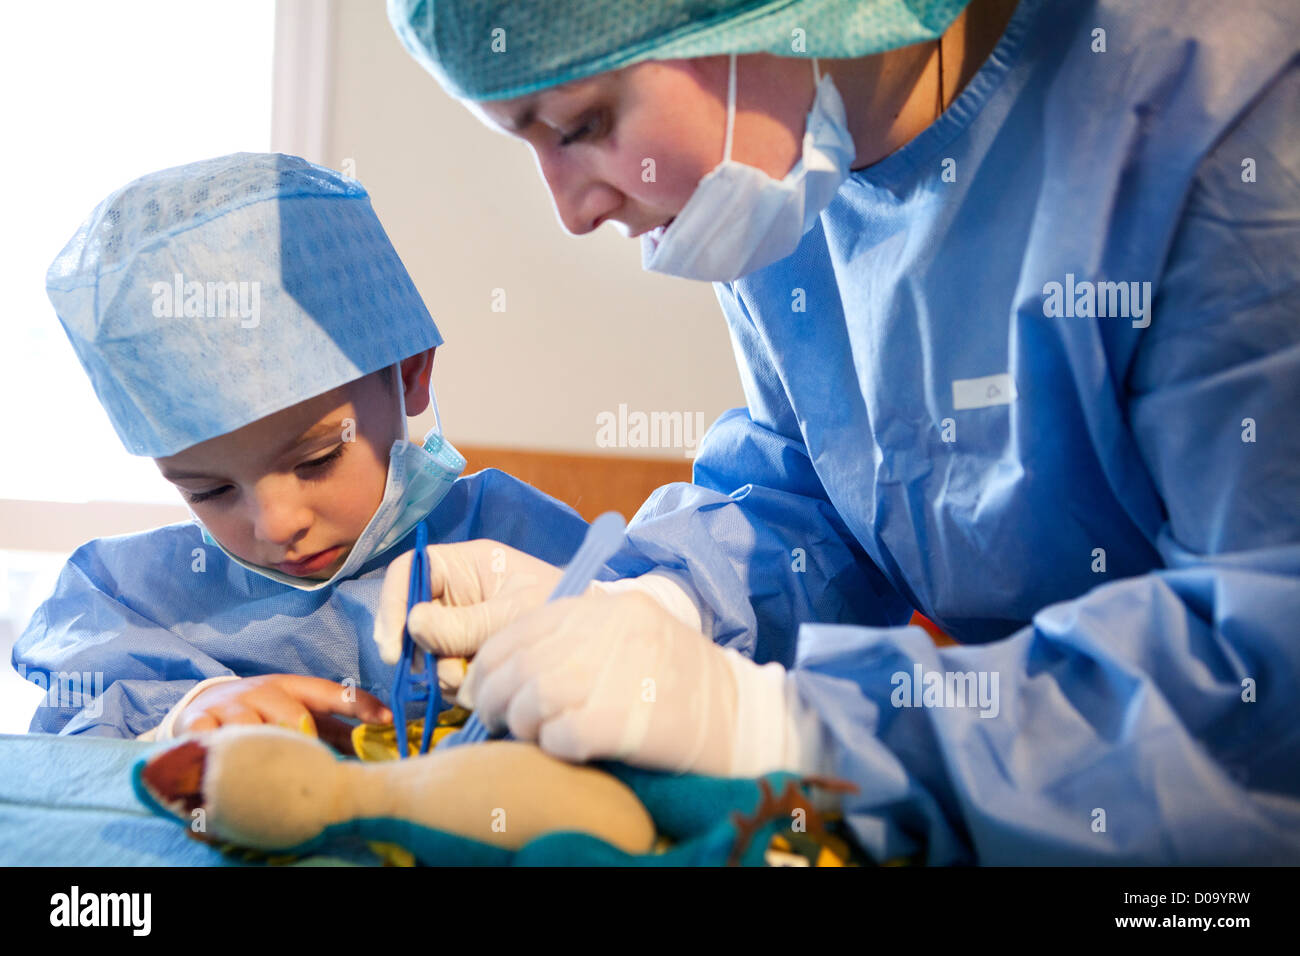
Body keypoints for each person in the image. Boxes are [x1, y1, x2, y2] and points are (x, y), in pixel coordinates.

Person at [380, 0, 1300, 863]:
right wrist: (661, 598)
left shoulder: (1218, 106)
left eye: (580, 124)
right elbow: (823, 496)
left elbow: (1267, 671)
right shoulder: (792, 170)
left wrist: (791, 727)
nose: (573, 213)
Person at [13, 152, 593, 742]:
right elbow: (68, 747)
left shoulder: (519, 543)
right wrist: (185, 713)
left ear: (410, 372)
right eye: (209, 490)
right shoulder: (135, 600)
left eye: (316, 461)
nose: (277, 524)